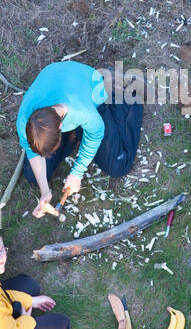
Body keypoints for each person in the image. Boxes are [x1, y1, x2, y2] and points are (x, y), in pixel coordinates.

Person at [17, 61, 143, 217]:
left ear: (60, 127)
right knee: (32, 175)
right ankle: (76, 133)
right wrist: (45, 192)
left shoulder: (82, 112)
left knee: (118, 165)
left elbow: (95, 134)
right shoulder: (24, 120)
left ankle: (124, 99)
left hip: (91, 89)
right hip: (60, 82)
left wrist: (77, 172)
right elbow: (32, 151)